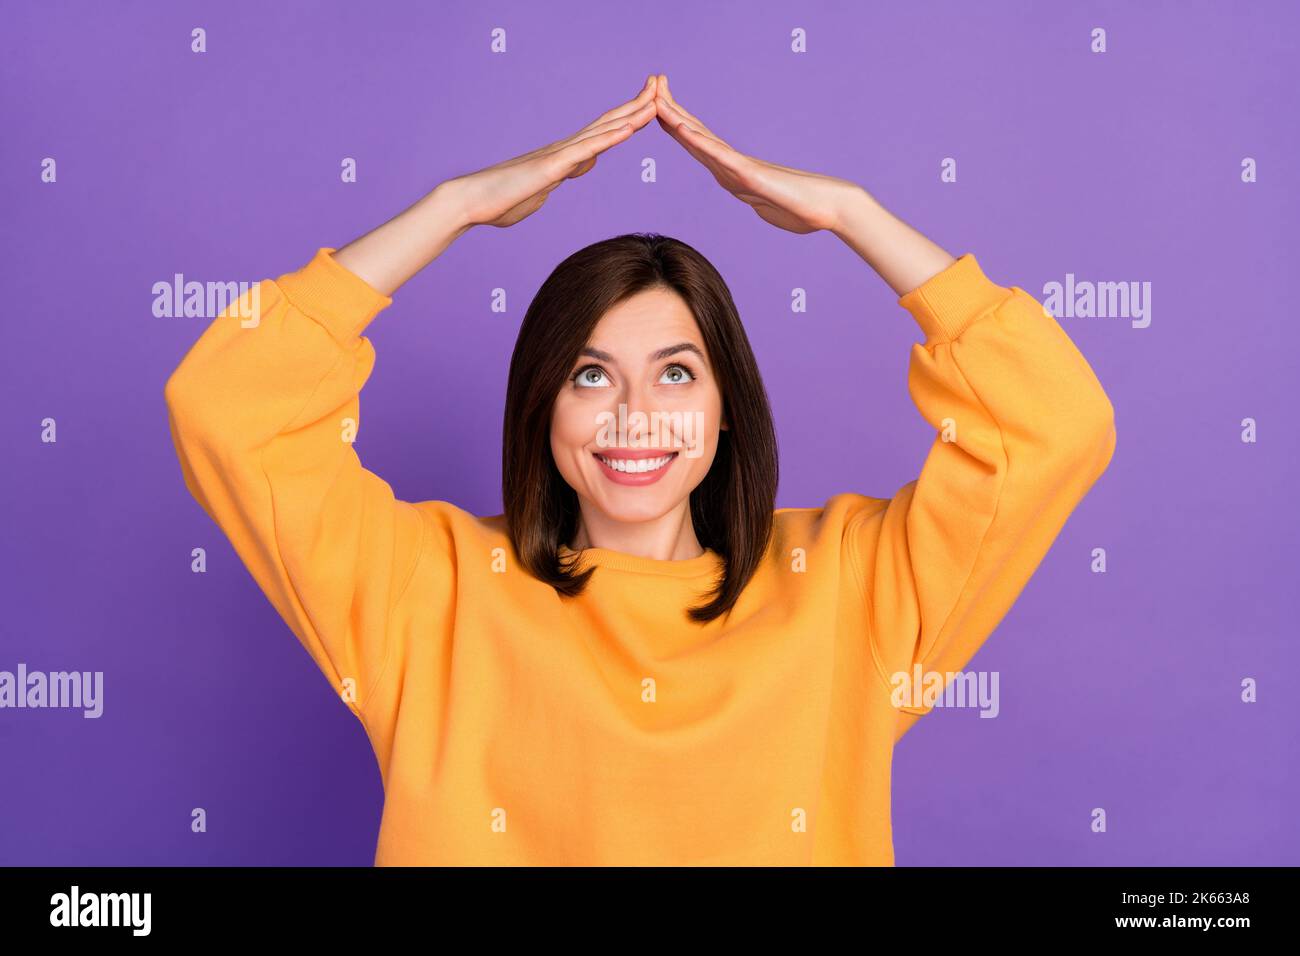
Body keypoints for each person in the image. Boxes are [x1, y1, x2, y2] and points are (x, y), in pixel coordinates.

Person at [164, 74, 1116, 865]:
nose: (633, 416)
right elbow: (229, 407)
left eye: (674, 373)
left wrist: (850, 214)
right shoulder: (429, 592)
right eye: (590, 375)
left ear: (725, 406)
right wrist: (453, 209)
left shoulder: (847, 590)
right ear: (544, 404)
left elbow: (1051, 425)